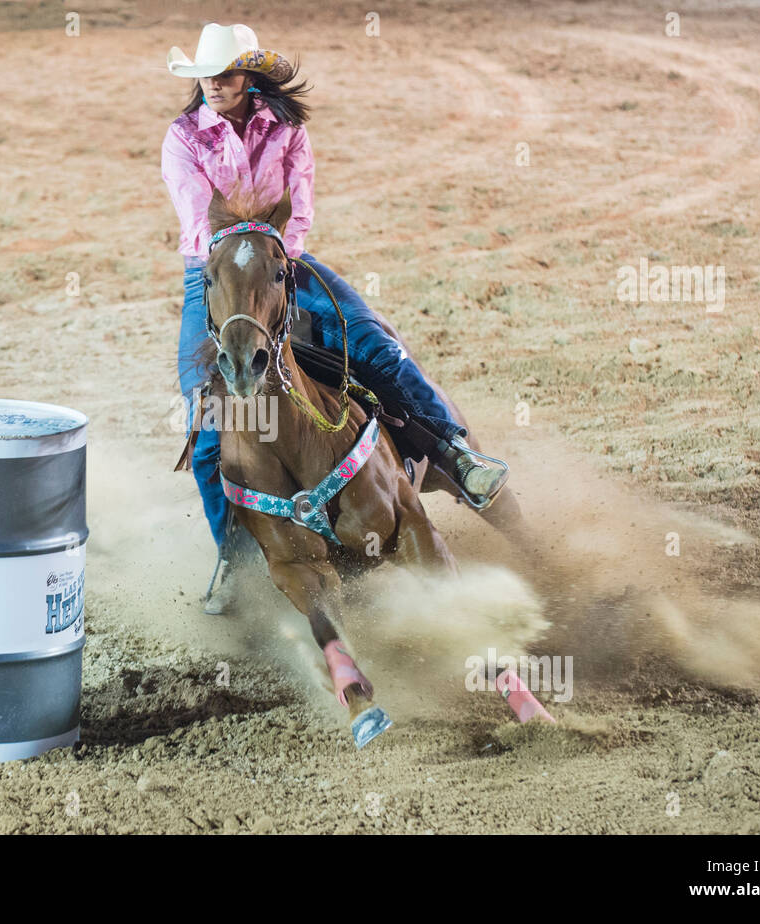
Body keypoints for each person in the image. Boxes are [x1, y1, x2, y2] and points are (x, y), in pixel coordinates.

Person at [161, 23, 507, 611]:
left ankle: (454, 451)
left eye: (224, 75)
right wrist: (242, 257)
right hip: (216, 269)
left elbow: (300, 206)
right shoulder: (184, 137)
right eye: (205, 77)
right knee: (206, 415)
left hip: (283, 257)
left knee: (374, 343)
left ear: (249, 77)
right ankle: (231, 552)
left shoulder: (287, 130)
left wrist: (278, 256)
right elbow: (199, 222)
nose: (213, 85)